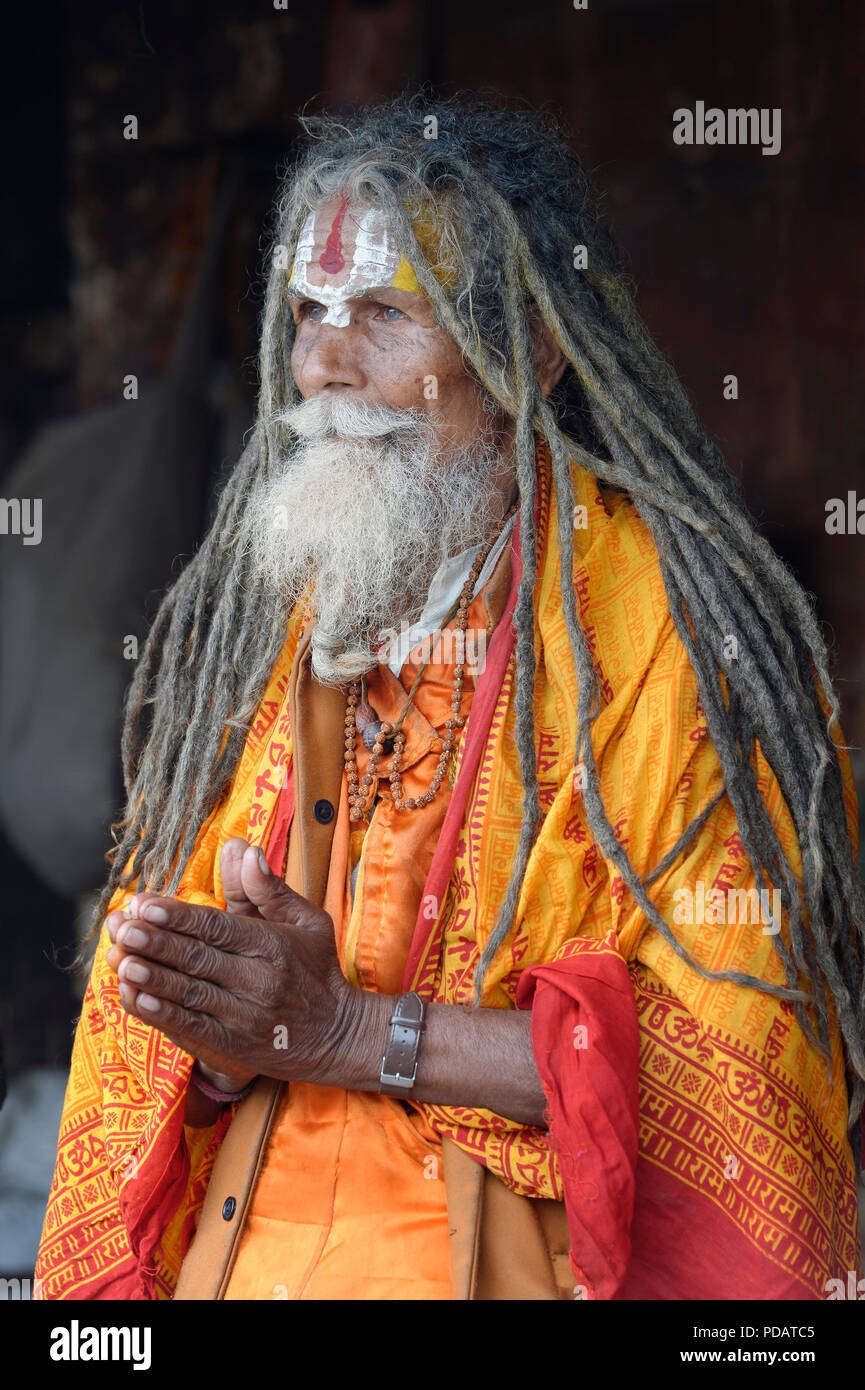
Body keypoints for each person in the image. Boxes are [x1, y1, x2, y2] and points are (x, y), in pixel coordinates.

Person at [36, 94, 864, 1301]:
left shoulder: (674, 647)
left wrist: (347, 1034)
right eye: (309, 313)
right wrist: (214, 1037)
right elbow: (165, 1040)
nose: (323, 361)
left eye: (382, 312)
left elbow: (731, 1073)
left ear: (528, 350)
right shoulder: (288, 627)